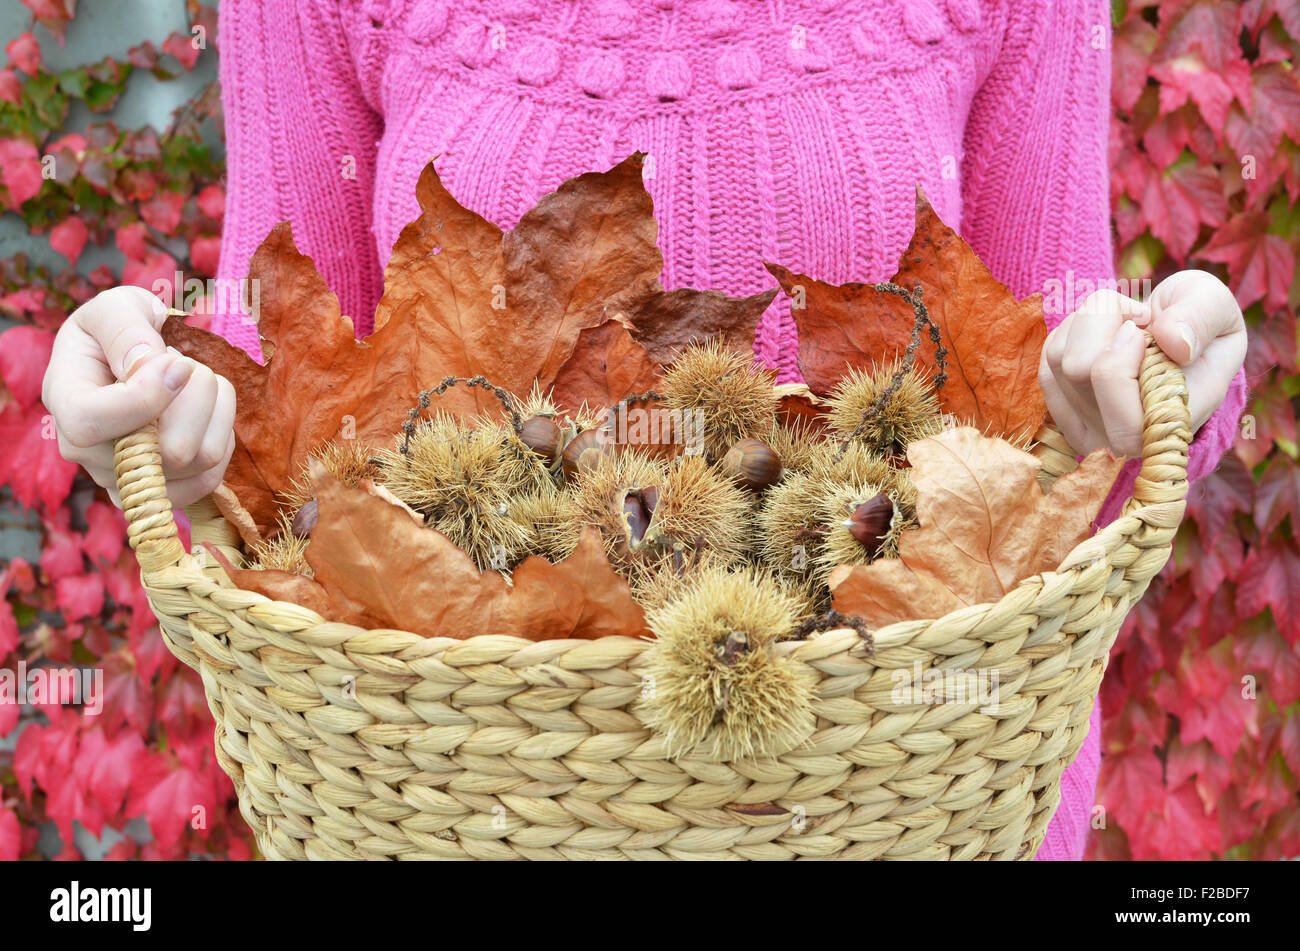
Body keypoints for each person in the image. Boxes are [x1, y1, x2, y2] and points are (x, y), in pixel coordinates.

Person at [41, 0, 1248, 860]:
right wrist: (172, 432)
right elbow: (299, 434)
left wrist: (1156, 389)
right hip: (483, 802)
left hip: (902, 799)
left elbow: (1046, 417)